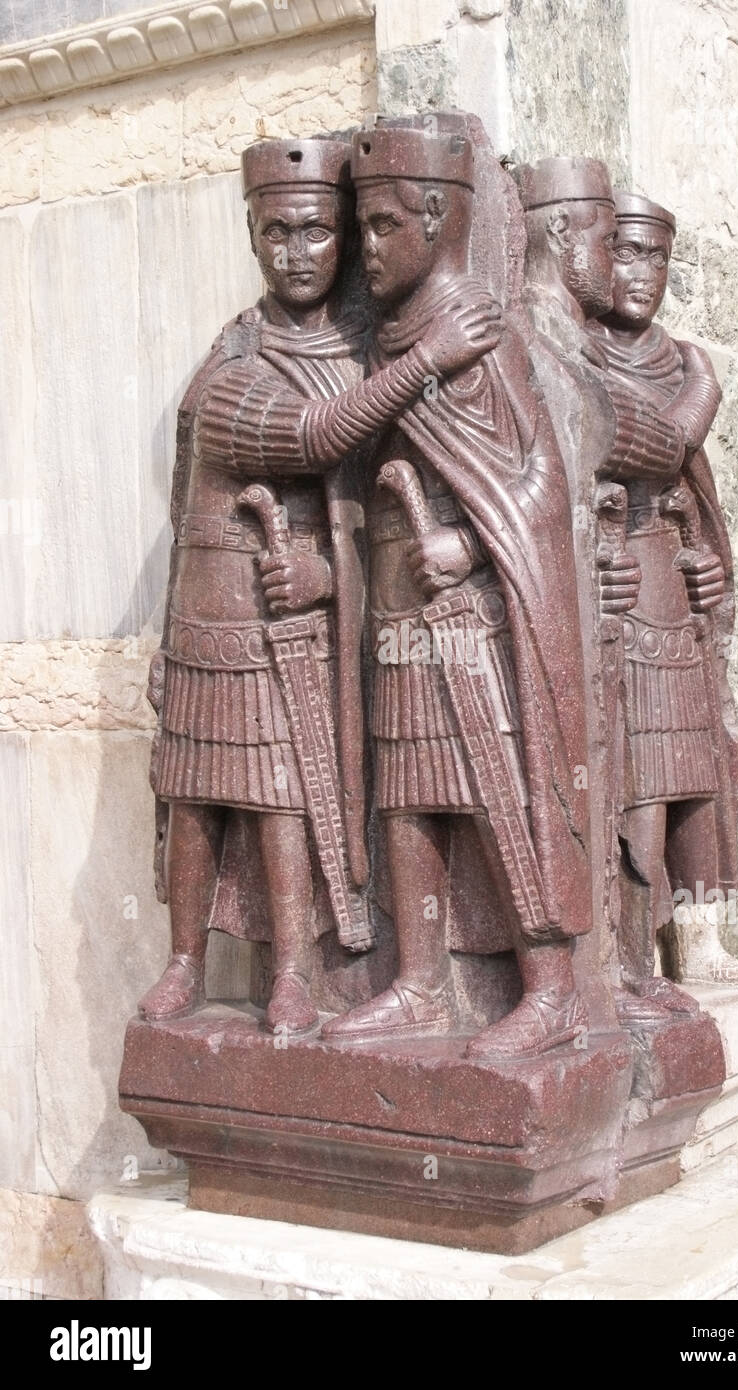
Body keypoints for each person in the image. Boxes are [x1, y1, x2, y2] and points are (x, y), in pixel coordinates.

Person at [139, 136, 502, 1034]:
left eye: (315, 232)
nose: (297, 252)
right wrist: (429, 359)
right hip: (215, 604)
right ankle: (185, 960)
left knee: (281, 793)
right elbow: (306, 440)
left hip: (307, 619)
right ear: (251, 236)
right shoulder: (235, 358)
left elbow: (370, 487)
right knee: (197, 794)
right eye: (277, 233)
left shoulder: (361, 349)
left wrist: (326, 569)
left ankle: (297, 970)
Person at [321, 120, 593, 1059]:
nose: (368, 247)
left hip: (471, 611)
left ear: (439, 221)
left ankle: (550, 987)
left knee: (498, 789)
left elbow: (540, 483)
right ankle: (421, 984)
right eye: (361, 226)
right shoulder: (396, 337)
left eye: (386, 225)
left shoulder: (480, 335)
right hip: (400, 603)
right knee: (407, 791)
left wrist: (472, 550)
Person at [587, 190, 738, 1002]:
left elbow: (692, 486)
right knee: (642, 775)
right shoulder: (577, 352)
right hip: (619, 589)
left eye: (653, 256)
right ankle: (631, 948)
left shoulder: (679, 356)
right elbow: (627, 456)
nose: (638, 272)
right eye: (622, 251)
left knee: (701, 763)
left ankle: (697, 937)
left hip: (675, 586)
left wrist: (708, 563)